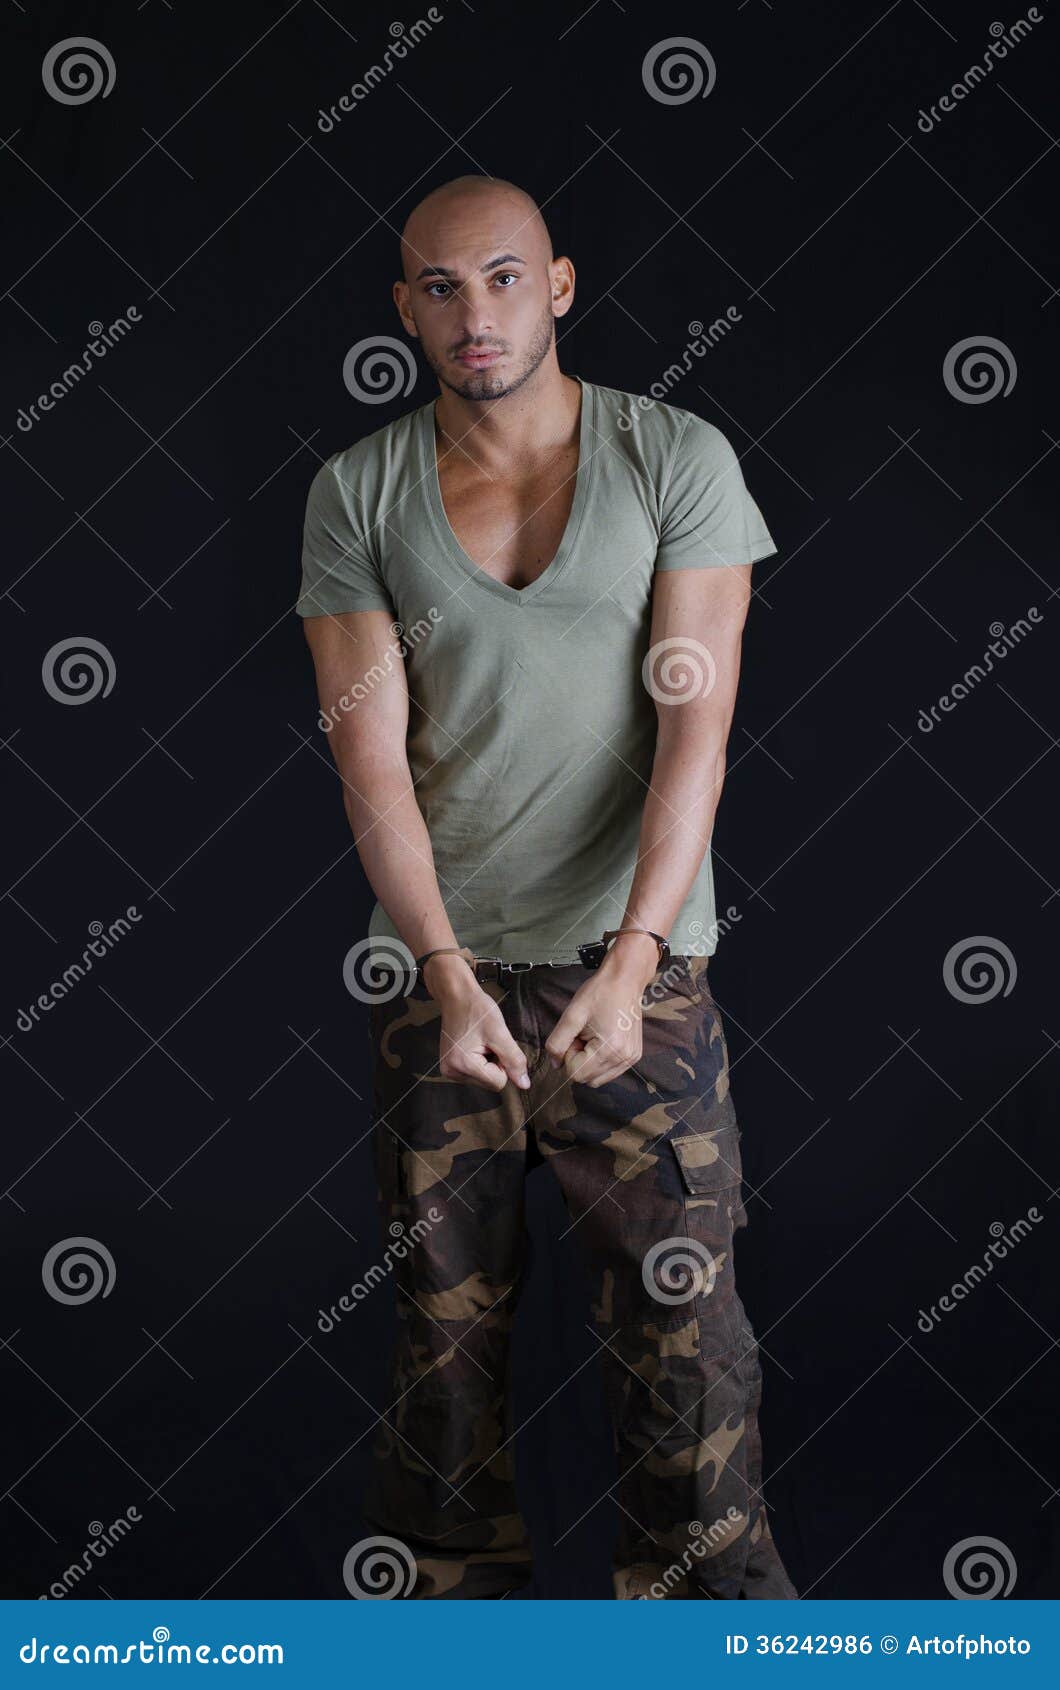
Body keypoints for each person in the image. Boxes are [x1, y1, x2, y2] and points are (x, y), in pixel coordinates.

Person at [297, 173, 796, 1600]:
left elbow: (697, 733)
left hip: (637, 971)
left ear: (561, 285)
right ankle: (462, 1630)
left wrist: (637, 961)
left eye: (505, 279)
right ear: (405, 309)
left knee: (687, 1342)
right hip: (442, 985)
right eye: (442, 289)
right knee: (442, 1347)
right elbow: (372, 768)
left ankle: (706, 1631)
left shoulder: (672, 457)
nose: (475, 315)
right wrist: (445, 976)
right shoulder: (360, 490)